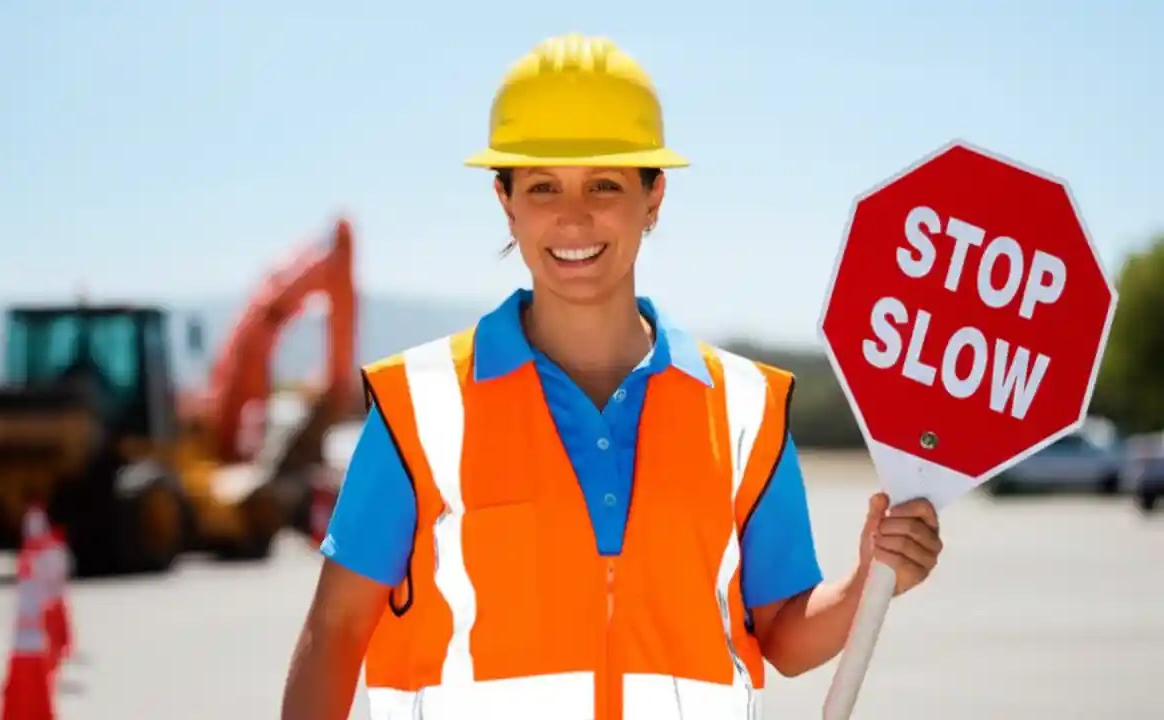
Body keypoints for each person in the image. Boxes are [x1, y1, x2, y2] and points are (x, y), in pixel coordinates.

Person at [281, 33, 943, 720]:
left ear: (653, 198)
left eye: (605, 183)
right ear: (506, 201)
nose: (574, 216)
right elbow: (336, 632)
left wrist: (871, 576)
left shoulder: (745, 411)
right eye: (543, 186)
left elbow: (783, 633)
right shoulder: (419, 407)